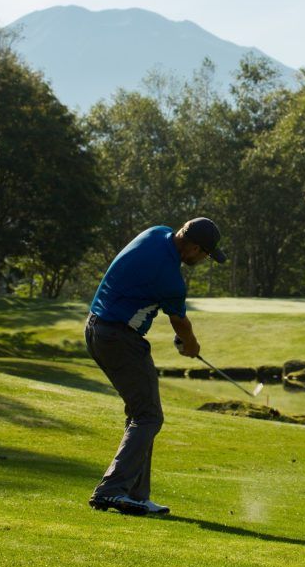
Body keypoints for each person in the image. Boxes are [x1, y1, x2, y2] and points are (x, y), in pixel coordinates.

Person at [85, 217, 226, 516]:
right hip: (118, 337)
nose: (204, 260)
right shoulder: (170, 279)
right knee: (149, 416)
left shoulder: (155, 233)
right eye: (206, 255)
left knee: (141, 414)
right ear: (195, 248)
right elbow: (179, 321)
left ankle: (135, 494)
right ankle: (112, 490)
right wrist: (191, 345)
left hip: (96, 328)